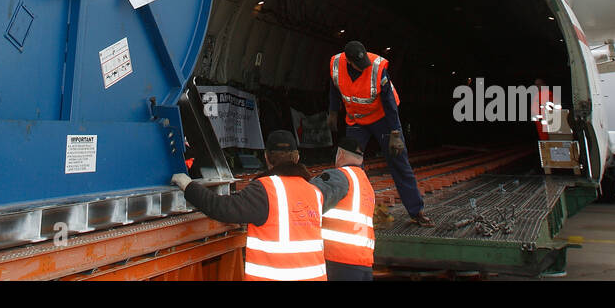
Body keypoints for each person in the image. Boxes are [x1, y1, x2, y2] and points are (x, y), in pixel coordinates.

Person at [172, 129, 349, 281]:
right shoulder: (314, 192)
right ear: (297, 157)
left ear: (266, 157)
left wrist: (187, 185)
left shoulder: (265, 189)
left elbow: (221, 208)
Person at [328, 39, 429, 224]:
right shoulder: (336, 64)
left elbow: (390, 103)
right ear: (349, 61)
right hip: (357, 120)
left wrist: (395, 134)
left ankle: (416, 211)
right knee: (349, 164)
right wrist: (333, 112)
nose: (363, 67)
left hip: (382, 119)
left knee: (398, 161)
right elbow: (335, 88)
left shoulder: (377, 67)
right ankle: (353, 210)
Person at [321, 137, 377, 281]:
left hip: (339, 260)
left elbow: (308, 200)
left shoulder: (339, 176)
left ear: (340, 154)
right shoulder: (365, 183)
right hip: (363, 262)